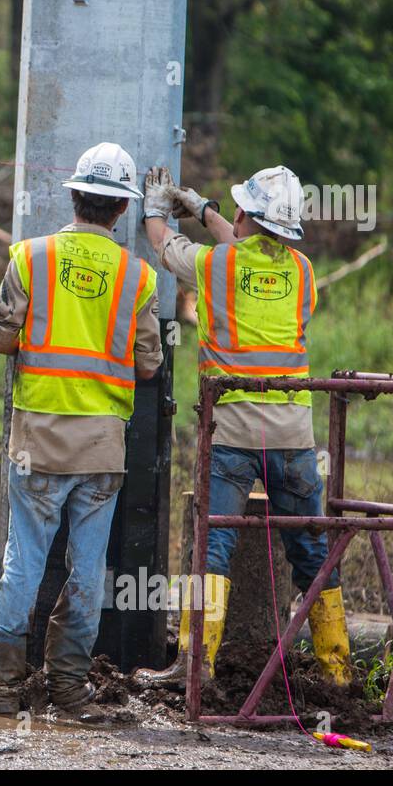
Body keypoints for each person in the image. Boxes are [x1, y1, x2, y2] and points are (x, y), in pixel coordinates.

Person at [0, 142, 163, 716]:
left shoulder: (31, 257)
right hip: (101, 450)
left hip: (36, 446)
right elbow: (147, 365)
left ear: (73, 196)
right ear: (121, 211)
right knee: (88, 571)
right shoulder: (137, 277)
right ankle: (69, 691)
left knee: (23, 563)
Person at [135, 165, 352, 687]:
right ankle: (338, 673)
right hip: (294, 435)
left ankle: (195, 670)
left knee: (213, 547)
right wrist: (204, 206)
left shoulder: (215, 265)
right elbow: (249, 249)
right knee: (311, 551)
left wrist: (156, 206)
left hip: (231, 432)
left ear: (245, 213)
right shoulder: (302, 271)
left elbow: (163, 244)